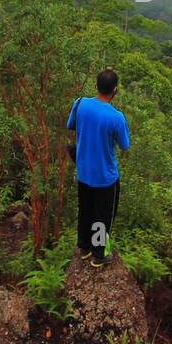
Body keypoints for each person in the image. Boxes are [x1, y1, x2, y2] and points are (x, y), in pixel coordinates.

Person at [67, 68, 130, 267]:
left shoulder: (80, 104)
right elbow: (124, 145)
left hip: (84, 171)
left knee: (85, 209)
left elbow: (71, 125)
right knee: (101, 216)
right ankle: (98, 254)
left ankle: (84, 247)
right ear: (115, 90)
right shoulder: (116, 117)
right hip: (105, 176)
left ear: (97, 86)